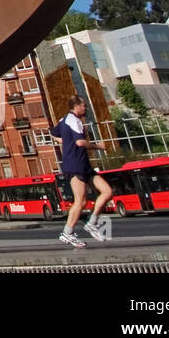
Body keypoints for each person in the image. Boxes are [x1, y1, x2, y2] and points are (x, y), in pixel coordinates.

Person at [50, 96, 113, 247]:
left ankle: (92, 222)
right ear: (76, 106)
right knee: (81, 201)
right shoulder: (75, 121)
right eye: (84, 106)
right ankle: (67, 233)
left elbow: (53, 132)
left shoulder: (63, 120)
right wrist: (98, 146)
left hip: (84, 164)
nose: (86, 108)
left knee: (107, 191)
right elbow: (79, 142)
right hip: (74, 165)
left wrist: (65, 141)